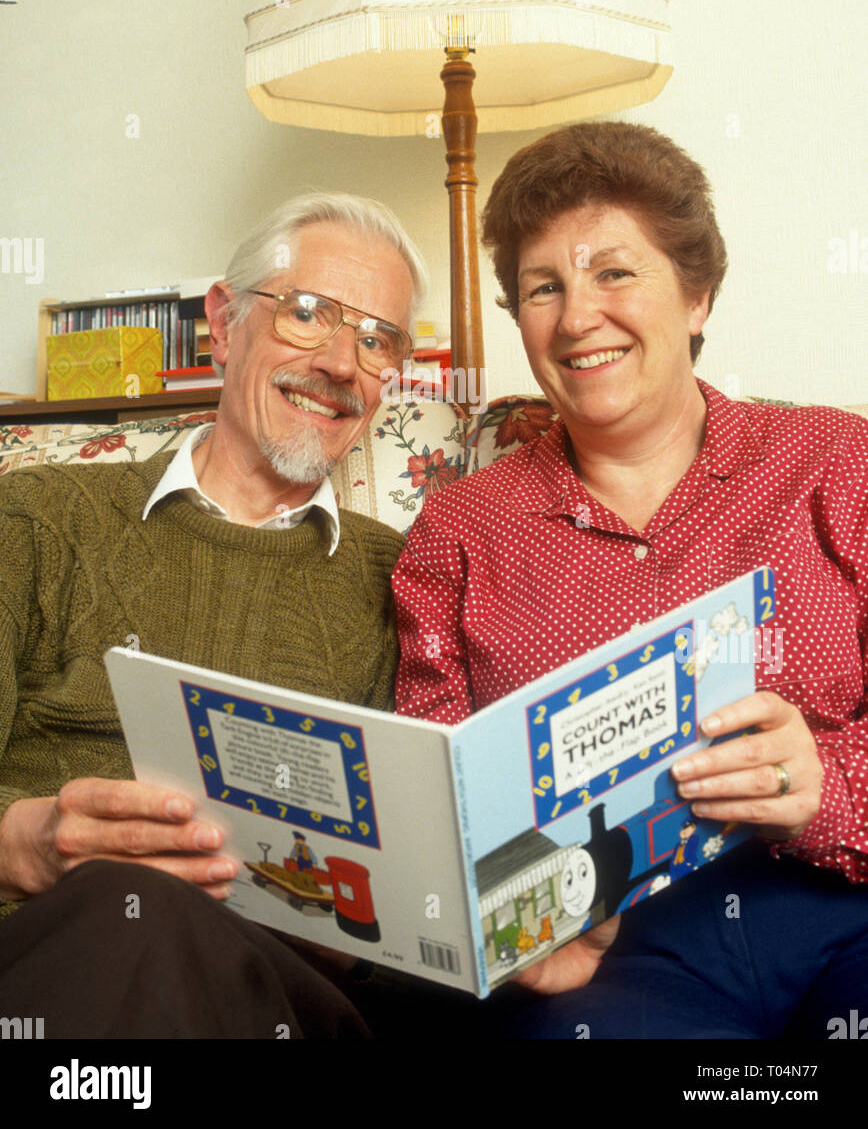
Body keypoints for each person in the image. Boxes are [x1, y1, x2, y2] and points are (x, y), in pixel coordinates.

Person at [393, 122, 868, 1039]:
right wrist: (517, 926)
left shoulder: (837, 463)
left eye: (615, 272)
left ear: (698, 295)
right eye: (544, 287)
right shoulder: (459, 530)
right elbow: (436, 811)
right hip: (615, 954)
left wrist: (829, 787)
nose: (577, 318)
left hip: (845, 900)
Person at [0, 190, 428, 1038]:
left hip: (280, 997)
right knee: (135, 908)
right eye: (309, 314)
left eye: (377, 340)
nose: (344, 363)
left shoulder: (401, 577)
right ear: (224, 324)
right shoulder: (39, 521)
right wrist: (22, 839)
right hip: (48, 964)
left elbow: (411, 886)